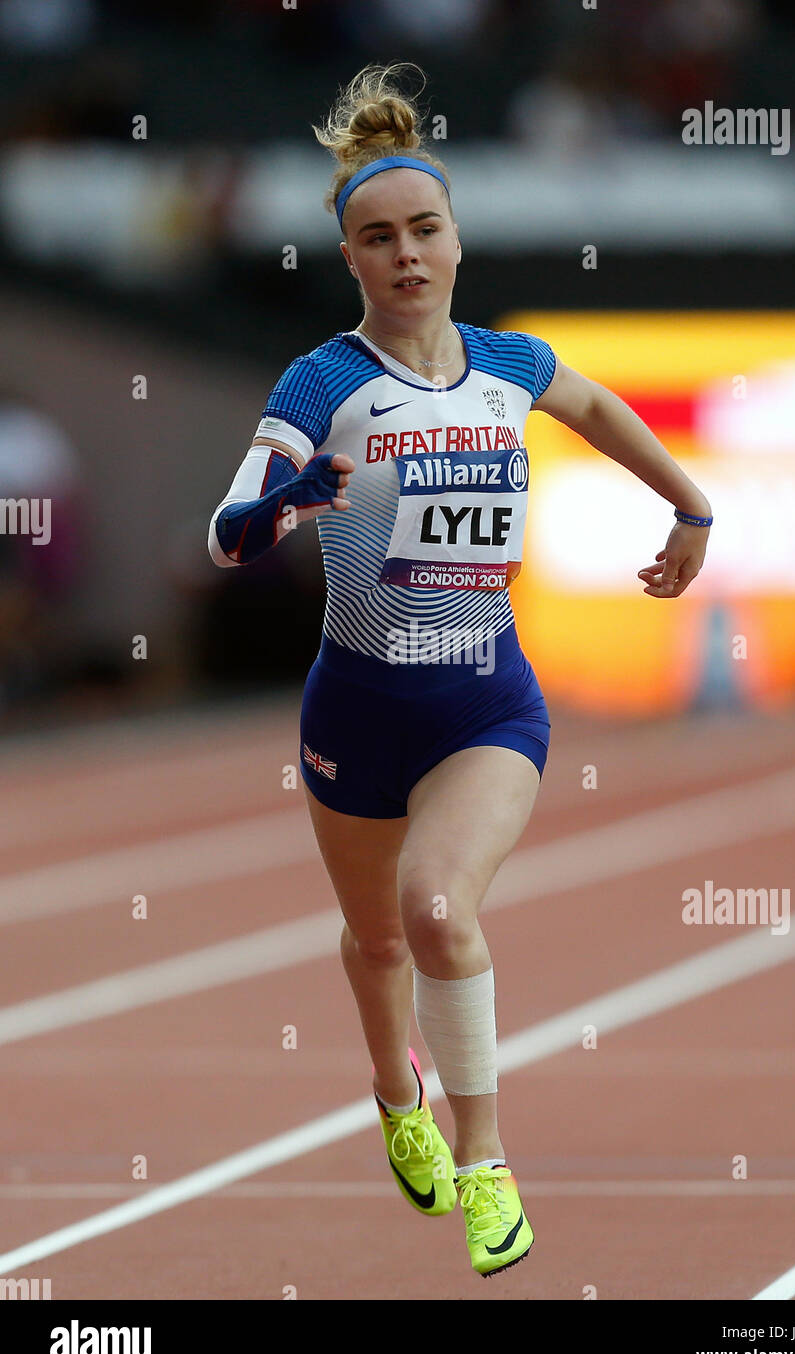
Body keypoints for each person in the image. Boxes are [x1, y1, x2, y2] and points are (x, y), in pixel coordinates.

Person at [207, 62, 712, 1278]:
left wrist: (690, 506)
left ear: (455, 238)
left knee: (438, 910)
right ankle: (395, 1094)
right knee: (375, 938)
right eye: (376, 238)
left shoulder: (511, 365)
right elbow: (227, 535)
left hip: (484, 702)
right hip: (353, 706)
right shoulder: (321, 384)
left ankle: (483, 1162)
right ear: (351, 260)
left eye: (423, 229)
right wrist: (290, 494)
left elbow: (597, 412)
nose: (405, 254)